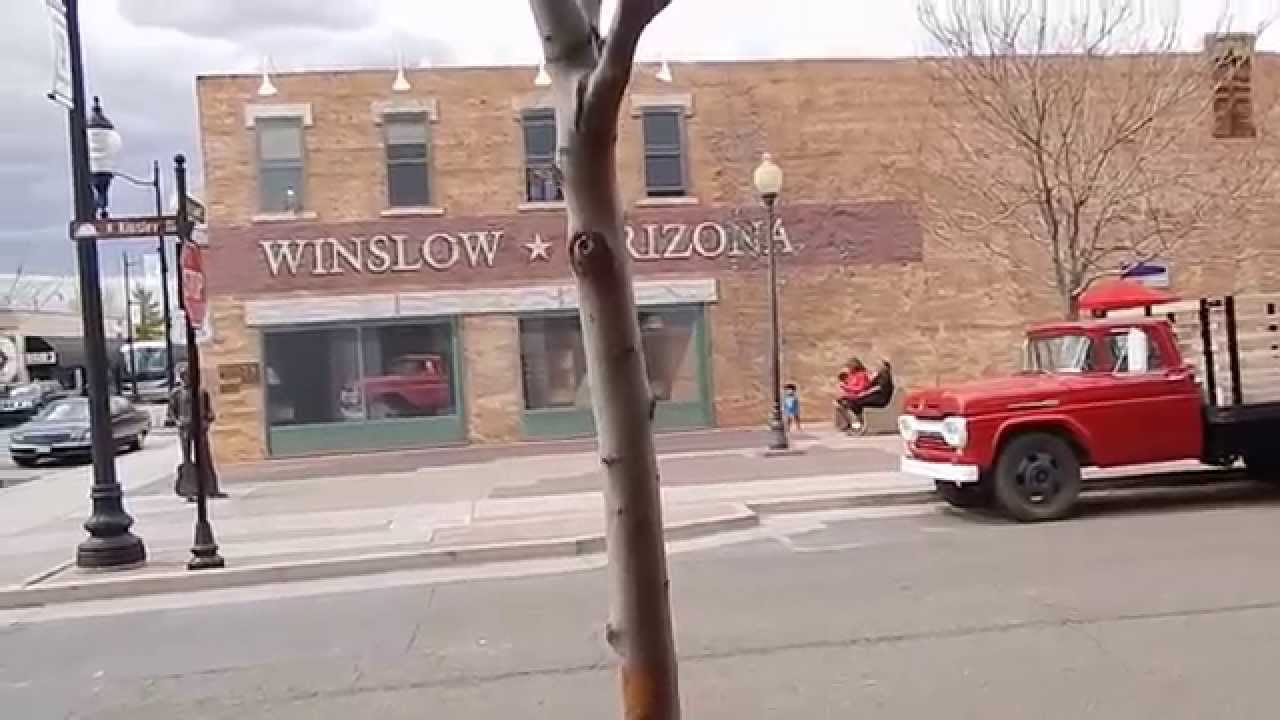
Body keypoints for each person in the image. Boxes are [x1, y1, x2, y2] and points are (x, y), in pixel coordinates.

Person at [169, 364, 226, 500]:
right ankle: (190, 490)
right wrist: (178, 422)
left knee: (205, 458)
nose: (188, 378)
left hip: (200, 427)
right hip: (185, 429)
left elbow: (209, 411)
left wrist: (207, 421)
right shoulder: (177, 393)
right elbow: (171, 412)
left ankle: (211, 488)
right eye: (185, 376)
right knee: (187, 460)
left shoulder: (201, 392)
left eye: (190, 375)